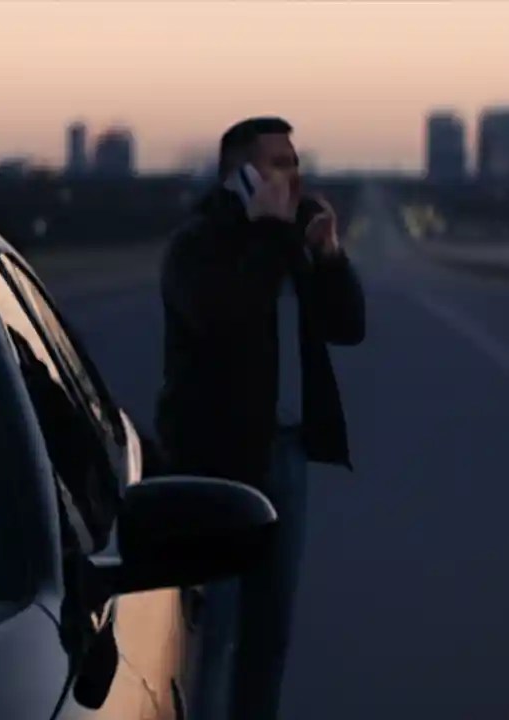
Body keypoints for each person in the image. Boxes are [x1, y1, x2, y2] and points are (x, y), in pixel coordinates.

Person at [155, 116, 365, 720]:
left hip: (288, 455)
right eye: (278, 163)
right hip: (216, 462)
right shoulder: (197, 245)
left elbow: (348, 327)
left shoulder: (292, 242)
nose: (293, 175)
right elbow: (223, 318)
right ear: (240, 176)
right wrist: (273, 236)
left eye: (296, 162)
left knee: (270, 635)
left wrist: (327, 256)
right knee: (214, 633)